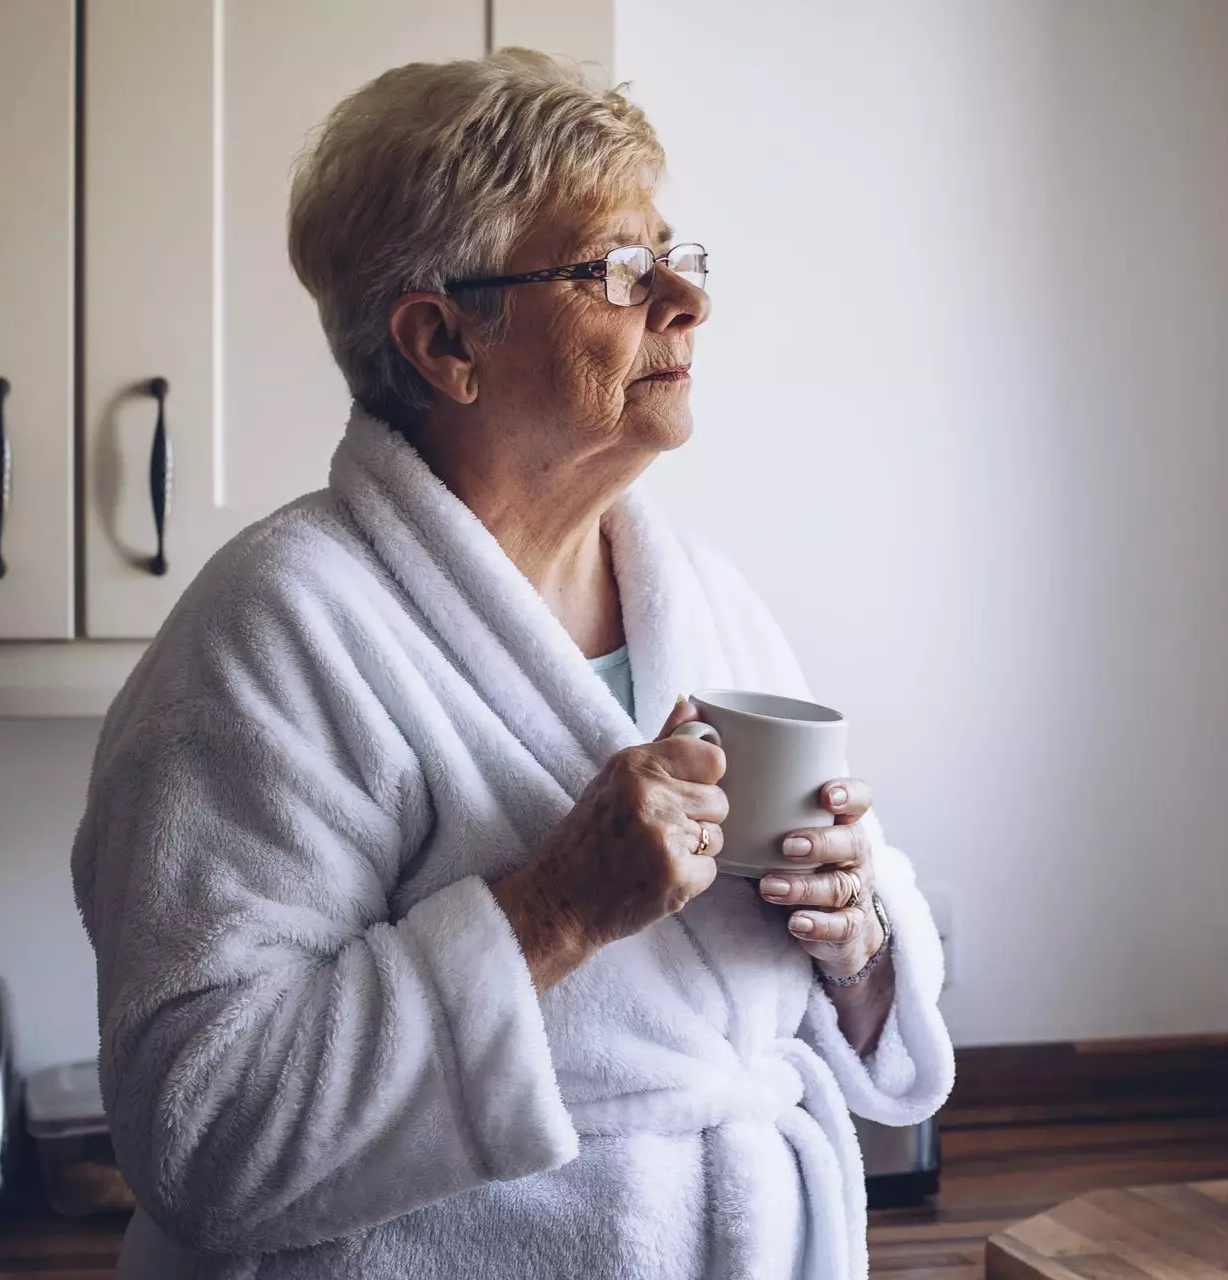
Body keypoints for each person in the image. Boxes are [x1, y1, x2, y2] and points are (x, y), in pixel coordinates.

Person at [72, 48, 953, 1280]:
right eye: (615, 269)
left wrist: (852, 933)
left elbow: (825, 1010)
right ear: (443, 341)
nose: (685, 302)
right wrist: (553, 909)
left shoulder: (704, 598)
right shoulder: (273, 633)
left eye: (675, 256)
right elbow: (202, 1128)